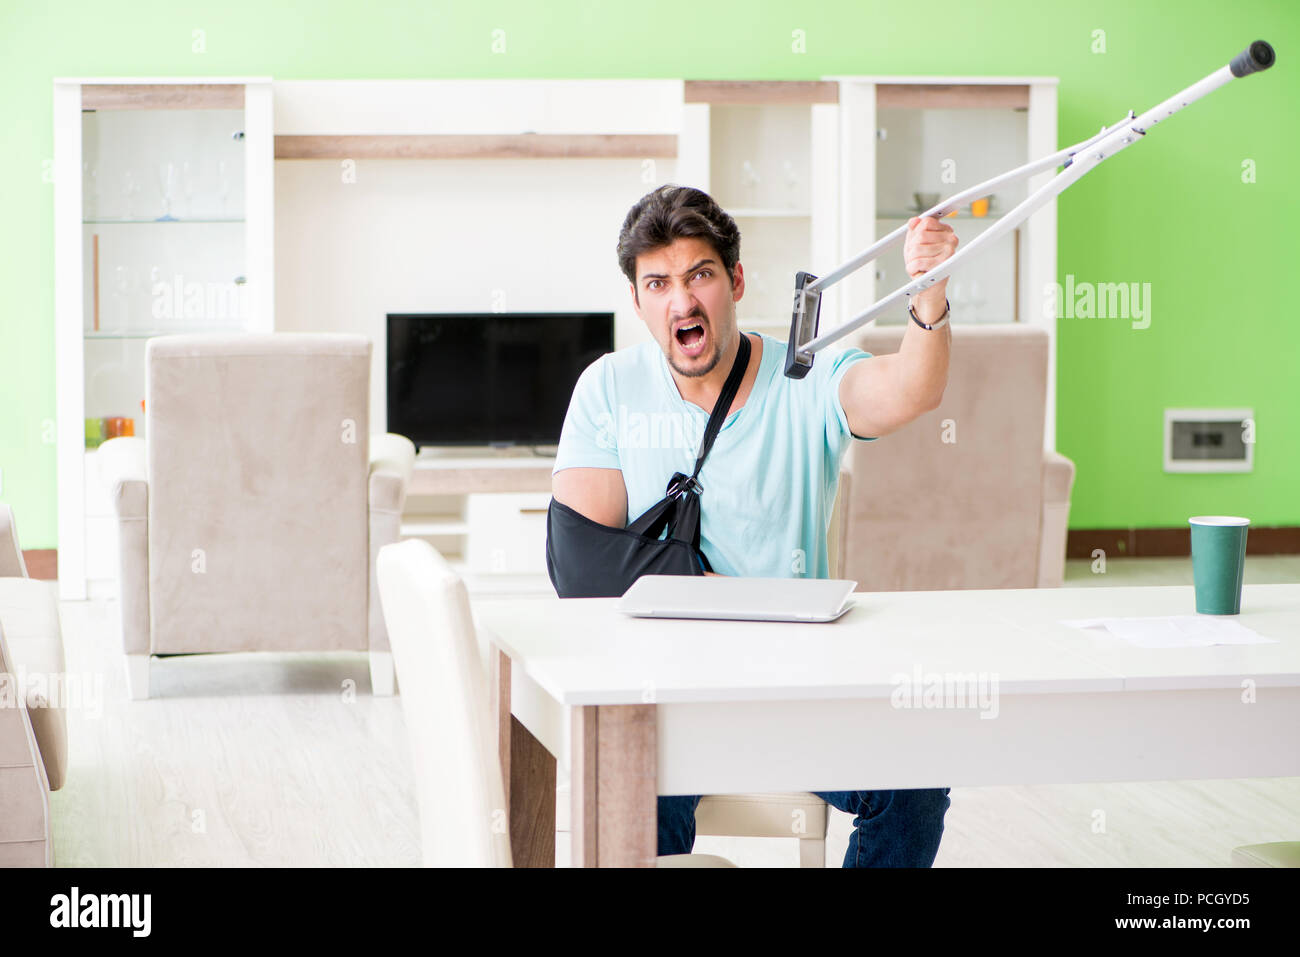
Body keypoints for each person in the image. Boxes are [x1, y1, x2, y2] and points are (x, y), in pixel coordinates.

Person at [551, 184, 959, 867]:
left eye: (699, 275)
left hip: (790, 690)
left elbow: (912, 390)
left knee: (915, 780)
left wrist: (929, 291)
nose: (682, 301)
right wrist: (716, 591)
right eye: (658, 283)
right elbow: (579, 566)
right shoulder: (608, 389)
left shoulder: (807, 379)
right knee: (631, 795)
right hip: (662, 696)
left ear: (735, 280)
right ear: (637, 299)